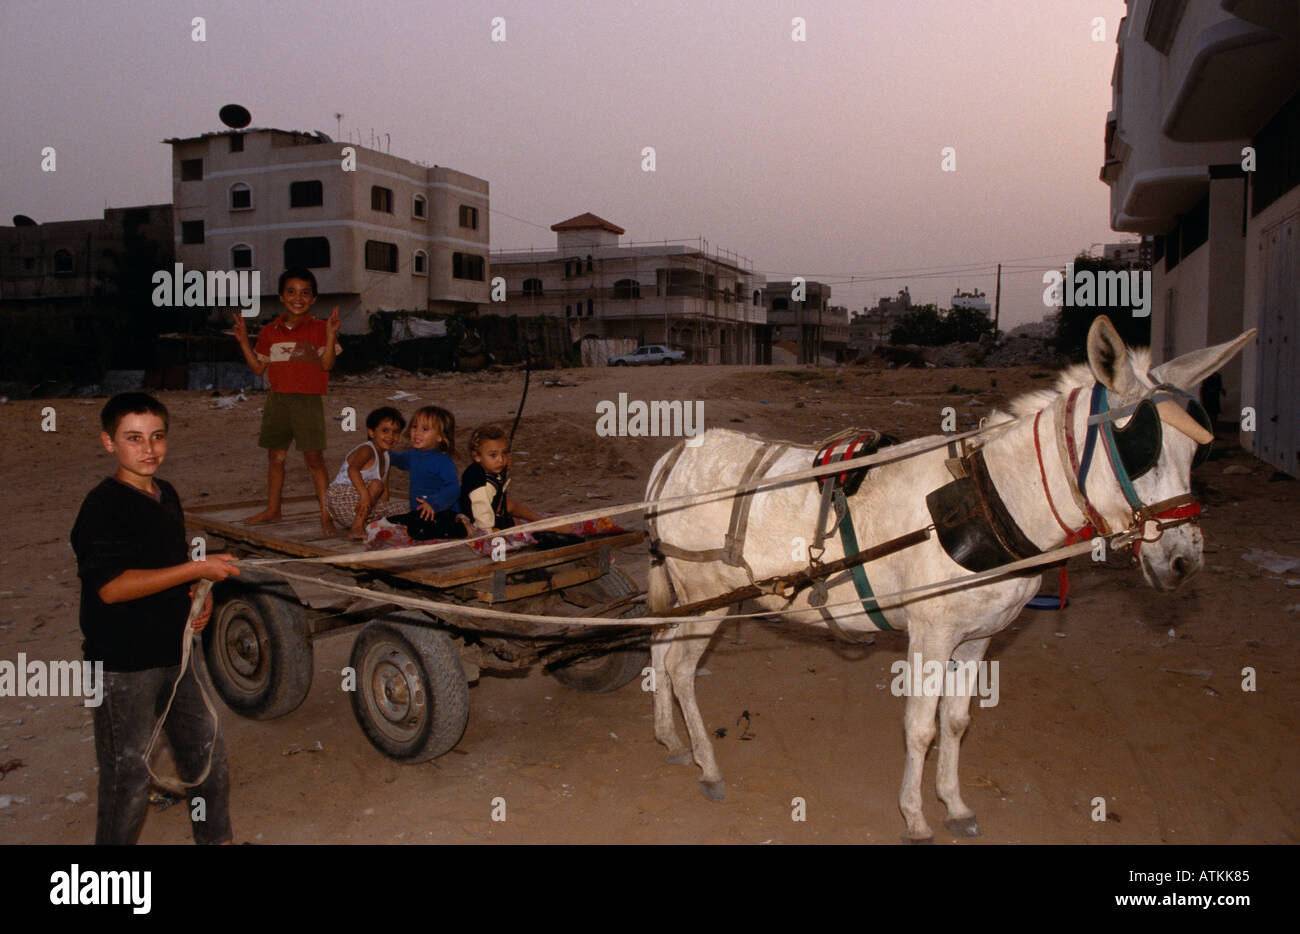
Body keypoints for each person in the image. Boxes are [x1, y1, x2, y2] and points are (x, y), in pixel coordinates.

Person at [70, 393, 241, 845]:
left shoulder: (167, 495)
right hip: (123, 664)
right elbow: (110, 588)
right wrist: (197, 569)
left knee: (206, 755)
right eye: (133, 438)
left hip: (177, 649)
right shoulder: (101, 507)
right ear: (109, 442)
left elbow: (169, 561)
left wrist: (197, 596)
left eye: (157, 437)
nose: (148, 449)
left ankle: (216, 841)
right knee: (128, 776)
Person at [230, 267, 341, 536]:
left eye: (305, 293)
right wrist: (244, 341)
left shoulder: (318, 328)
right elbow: (258, 369)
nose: (298, 297)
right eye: (291, 292)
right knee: (276, 457)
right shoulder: (270, 331)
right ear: (281, 297)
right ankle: (273, 510)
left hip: (307, 403)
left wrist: (330, 334)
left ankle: (327, 517)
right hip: (277, 401)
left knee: (314, 460)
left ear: (313, 298)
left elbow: (326, 365)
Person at [385, 406, 470, 540]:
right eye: (414, 427)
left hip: (443, 512)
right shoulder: (414, 455)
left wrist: (434, 504)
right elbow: (398, 460)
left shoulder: (442, 461)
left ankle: (462, 529)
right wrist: (382, 452)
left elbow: (454, 489)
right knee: (391, 522)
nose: (417, 433)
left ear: (440, 436)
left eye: (425, 429)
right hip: (420, 512)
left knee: (418, 531)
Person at [327, 406, 407, 539]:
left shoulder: (387, 457)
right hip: (341, 498)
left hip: (359, 508)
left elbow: (385, 492)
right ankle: (357, 527)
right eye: (385, 431)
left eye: (396, 432)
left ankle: (369, 523)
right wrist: (364, 495)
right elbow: (352, 470)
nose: (390, 436)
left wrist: (384, 511)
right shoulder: (367, 449)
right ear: (371, 432)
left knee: (402, 512)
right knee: (376, 484)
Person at [460, 424, 542, 534]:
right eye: (493, 455)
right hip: (480, 521)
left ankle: (542, 522)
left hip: (494, 508)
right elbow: (481, 509)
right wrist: (487, 532)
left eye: (504, 453)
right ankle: (547, 529)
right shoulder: (481, 482)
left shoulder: (487, 468)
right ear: (477, 456)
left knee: (514, 509)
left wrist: (505, 471)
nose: (501, 459)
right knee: (520, 526)